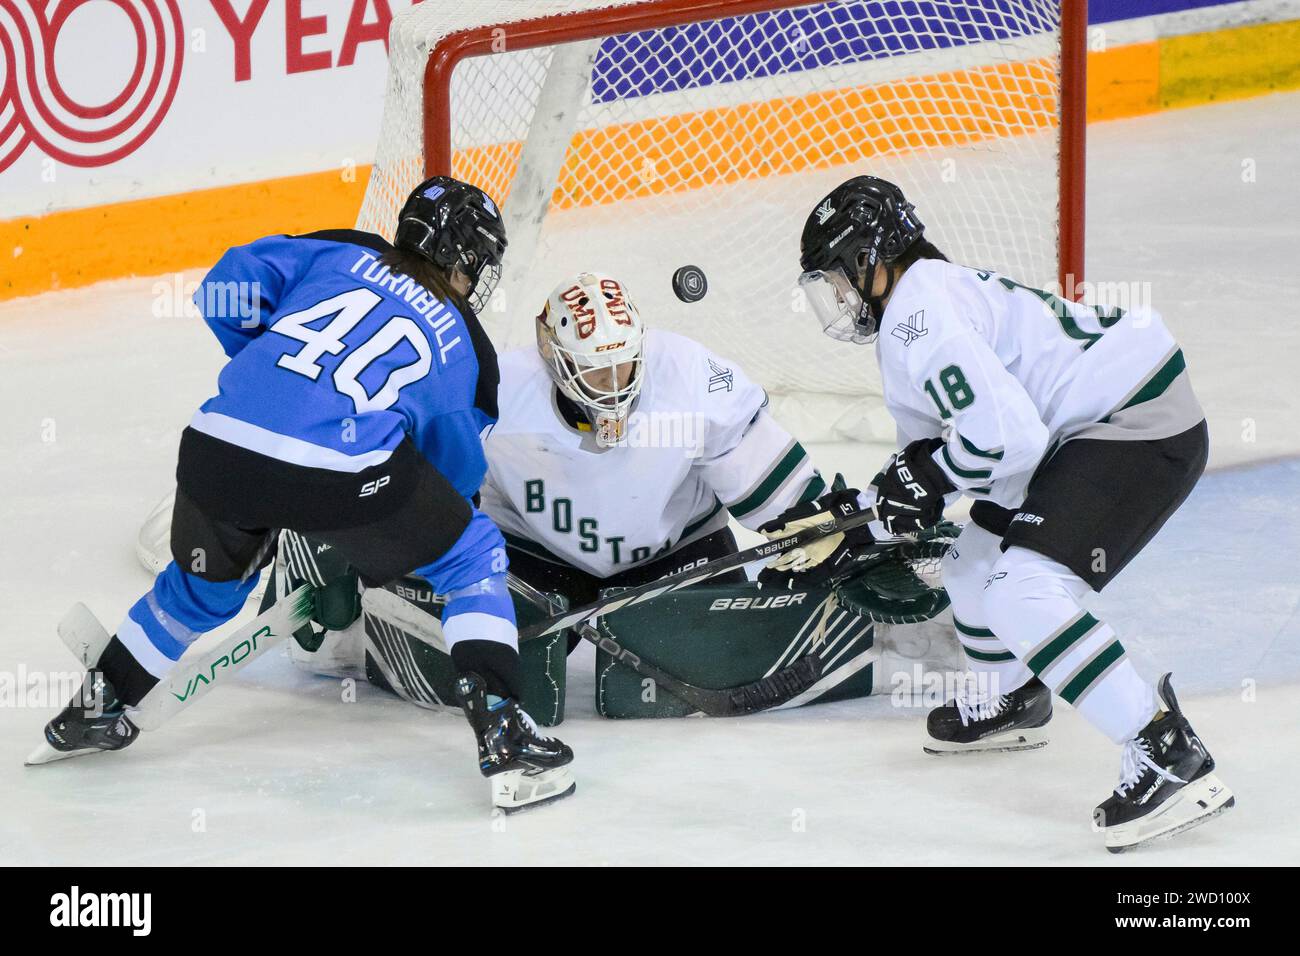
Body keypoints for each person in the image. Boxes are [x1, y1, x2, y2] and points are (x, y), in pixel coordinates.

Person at [34, 176, 575, 814]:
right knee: (471, 555)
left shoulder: (338, 250)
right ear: (465, 261)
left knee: (200, 590)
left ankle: (96, 706)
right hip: (343, 479)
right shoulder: (467, 345)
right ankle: (506, 734)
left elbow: (224, 289)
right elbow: (451, 474)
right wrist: (404, 530)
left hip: (216, 447)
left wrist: (275, 384)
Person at [759, 175, 1233, 851]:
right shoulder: (919, 308)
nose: (837, 297)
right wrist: (857, 519)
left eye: (836, 278)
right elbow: (928, 467)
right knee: (970, 563)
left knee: (1021, 592)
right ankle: (1012, 697)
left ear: (868, 259)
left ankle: (1166, 750)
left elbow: (1007, 440)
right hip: (1084, 426)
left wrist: (922, 484)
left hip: (1135, 423)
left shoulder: (921, 313)